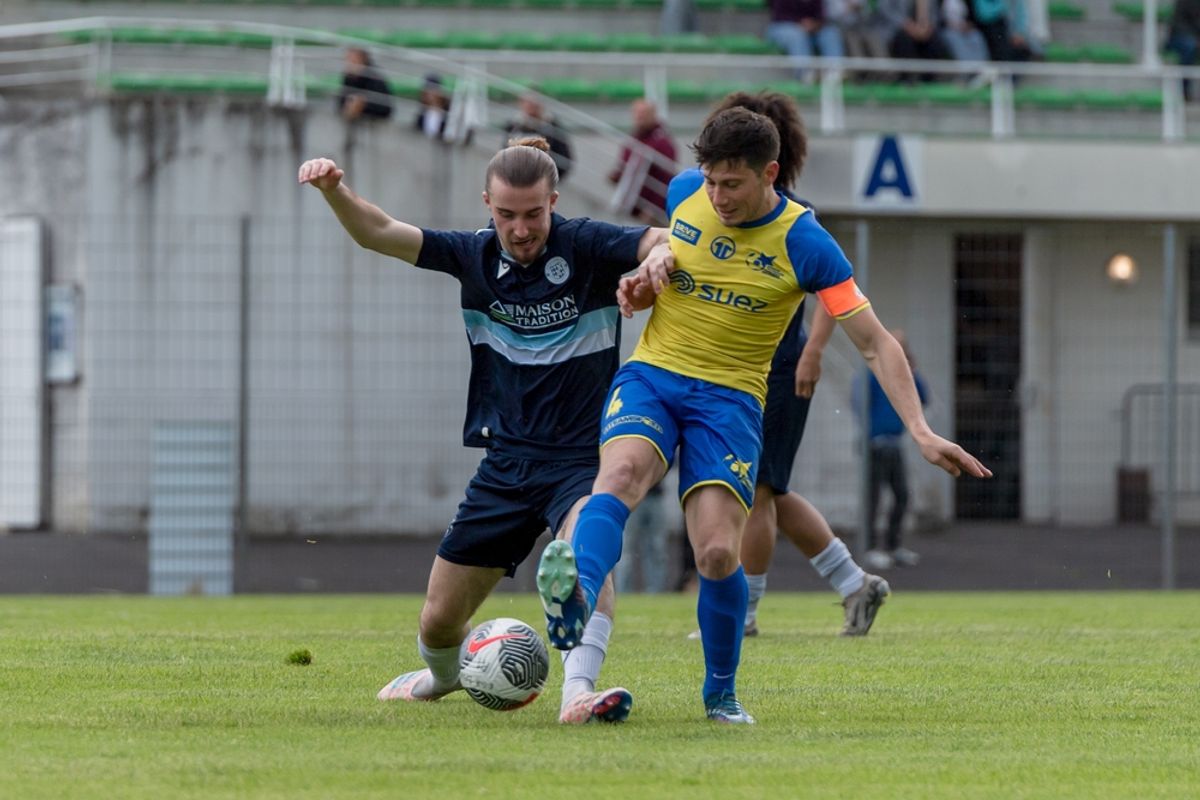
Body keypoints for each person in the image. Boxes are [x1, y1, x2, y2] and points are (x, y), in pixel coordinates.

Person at [534, 106, 991, 725]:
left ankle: (721, 695)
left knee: (718, 553)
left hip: (730, 401)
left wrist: (921, 430)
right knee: (619, 477)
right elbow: (665, 251)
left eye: (732, 184)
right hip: (653, 378)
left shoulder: (805, 241)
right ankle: (578, 597)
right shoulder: (684, 192)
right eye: (710, 181)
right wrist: (647, 274)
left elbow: (876, 343)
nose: (717, 196)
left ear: (770, 173)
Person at [297, 138, 667, 724]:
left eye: (534, 214)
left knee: (580, 559)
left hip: (581, 461)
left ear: (554, 202)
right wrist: (334, 190)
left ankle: (578, 692)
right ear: (487, 204)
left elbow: (662, 238)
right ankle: (444, 677)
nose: (521, 229)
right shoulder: (471, 254)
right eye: (507, 214)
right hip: (505, 466)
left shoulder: (587, 245)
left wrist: (656, 259)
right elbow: (379, 233)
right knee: (438, 621)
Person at [688, 91, 888, 641]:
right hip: (729, 371)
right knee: (769, 488)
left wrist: (813, 351)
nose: (720, 189)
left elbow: (834, 291)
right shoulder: (711, 204)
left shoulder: (792, 217)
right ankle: (854, 583)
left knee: (756, 491)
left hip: (775, 368)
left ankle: (744, 613)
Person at [854, 330, 929, 570]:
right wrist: (871, 431)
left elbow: (923, 397)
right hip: (875, 444)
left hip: (894, 443)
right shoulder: (872, 373)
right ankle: (870, 548)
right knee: (873, 498)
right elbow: (858, 402)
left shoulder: (906, 374)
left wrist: (912, 371)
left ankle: (893, 546)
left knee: (901, 495)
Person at [608, 99, 678, 224]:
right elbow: (626, 167)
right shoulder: (633, 139)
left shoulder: (662, 142)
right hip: (630, 205)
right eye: (636, 113)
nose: (639, 116)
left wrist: (654, 208)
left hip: (648, 211)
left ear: (653, 115)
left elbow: (666, 178)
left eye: (644, 113)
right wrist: (616, 176)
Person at [766, 0, 847, 83]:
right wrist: (800, 24)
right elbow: (781, 15)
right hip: (782, 28)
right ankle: (805, 75)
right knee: (797, 34)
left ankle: (834, 72)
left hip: (811, 31)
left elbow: (821, 17)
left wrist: (813, 24)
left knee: (831, 33)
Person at [614, 483, 670, 593]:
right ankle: (623, 592)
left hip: (655, 496)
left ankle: (656, 592)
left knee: (656, 547)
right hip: (630, 497)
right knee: (626, 548)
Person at [504, 94, 573, 181]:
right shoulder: (513, 126)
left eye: (534, 103)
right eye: (528, 103)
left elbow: (564, 155)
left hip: (545, 177)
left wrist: (552, 178)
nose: (531, 106)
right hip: (518, 178)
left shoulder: (553, 126)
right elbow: (504, 152)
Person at [337, 47, 393, 122]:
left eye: (353, 60)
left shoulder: (373, 76)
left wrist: (362, 105)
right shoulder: (349, 76)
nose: (348, 63)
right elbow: (341, 101)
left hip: (373, 118)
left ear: (362, 60)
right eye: (347, 59)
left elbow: (384, 107)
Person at [1165, 0, 1199, 101]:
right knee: (1190, 46)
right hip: (1180, 37)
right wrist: (1196, 39)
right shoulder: (1185, 2)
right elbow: (1179, 24)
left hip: (1194, 37)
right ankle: (1184, 90)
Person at [413, 73, 450, 140]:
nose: (428, 93)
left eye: (432, 89)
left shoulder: (448, 113)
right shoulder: (422, 114)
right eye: (426, 89)